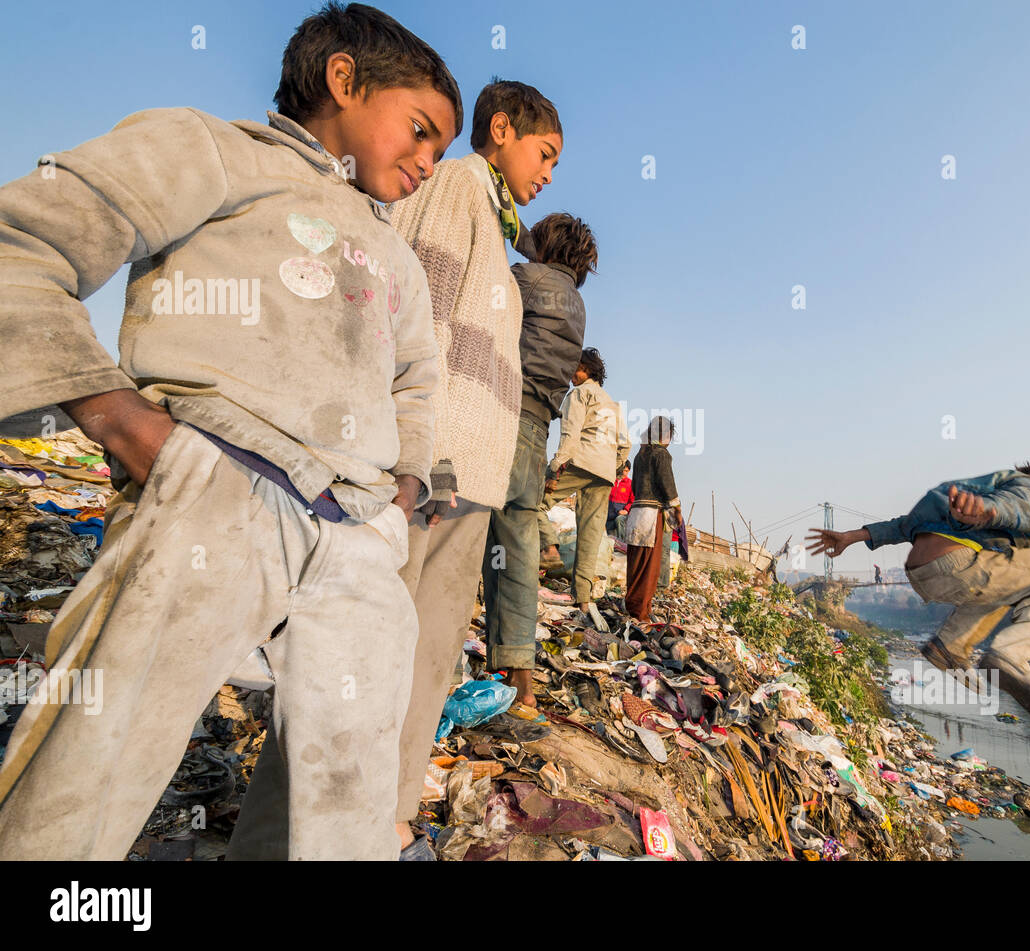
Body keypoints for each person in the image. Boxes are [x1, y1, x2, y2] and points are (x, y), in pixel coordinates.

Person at [0, 1, 459, 860]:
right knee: (92, 767)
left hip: (357, 534)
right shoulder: (215, 150)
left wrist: (400, 498)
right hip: (216, 486)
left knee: (344, 805)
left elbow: (417, 382)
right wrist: (121, 420)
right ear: (343, 79)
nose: (431, 162)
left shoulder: (393, 253)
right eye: (422, 129)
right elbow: (21, 241)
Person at [225, 77, 565, 861]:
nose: (548, 173)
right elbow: (415, 333)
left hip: (462, 481)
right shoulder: (454, 188)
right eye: (543, 153)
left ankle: (382, 818)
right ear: (502, 129)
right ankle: (305, 832)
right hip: (434, 476)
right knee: (361, 658)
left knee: (422, 658)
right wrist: (426, 464)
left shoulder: (490, 215)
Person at [807, 461, 1030, 732]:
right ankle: (1013, 655)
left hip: (924, 573)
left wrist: (851, 537)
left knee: (1010, 579)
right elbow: (1016, 507)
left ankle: (950, 647)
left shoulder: (979, 489)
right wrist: (985, 510)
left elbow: (904, 526)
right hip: (958, 563)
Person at [483, 213, 596, 709]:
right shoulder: (578, 302)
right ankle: (518, 672)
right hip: (537, 427)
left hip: (499, 409)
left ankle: (443, 660)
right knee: (517, 542)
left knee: (464, 531)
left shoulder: (524, 278)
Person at [538, 348, 629, 630]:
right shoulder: (612, 404)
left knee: (533, 501)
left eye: (574, 368)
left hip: (580, 462)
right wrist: (610, 466)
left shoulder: (578, 395)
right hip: (603, 473)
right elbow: (624, 446)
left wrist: (555, 467)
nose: (570, 374)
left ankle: (550, 547)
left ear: (587, 370)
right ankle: (583, 598)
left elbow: (570, 433)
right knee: (591, 533)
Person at [625, 416, 681, 621]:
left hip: (636, 511)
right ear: (665, 435)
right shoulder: (661, 454)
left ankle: (635, 606)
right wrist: (677, 508)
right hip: (651, 514)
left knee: (636, 563)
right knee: (649, 567)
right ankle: (640, 611)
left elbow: (633, 487)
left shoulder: (640, 455)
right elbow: (668, 484)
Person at [608, 461, 632, 532]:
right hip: (608, 514)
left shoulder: (631, 484)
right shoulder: (611, 481)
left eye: (626, 471)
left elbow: (632, 501)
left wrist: (626, 510)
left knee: (619, 520)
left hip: (621, 515)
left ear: (629, 471)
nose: (623, 473)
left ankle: (621, 541)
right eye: (622, 470)